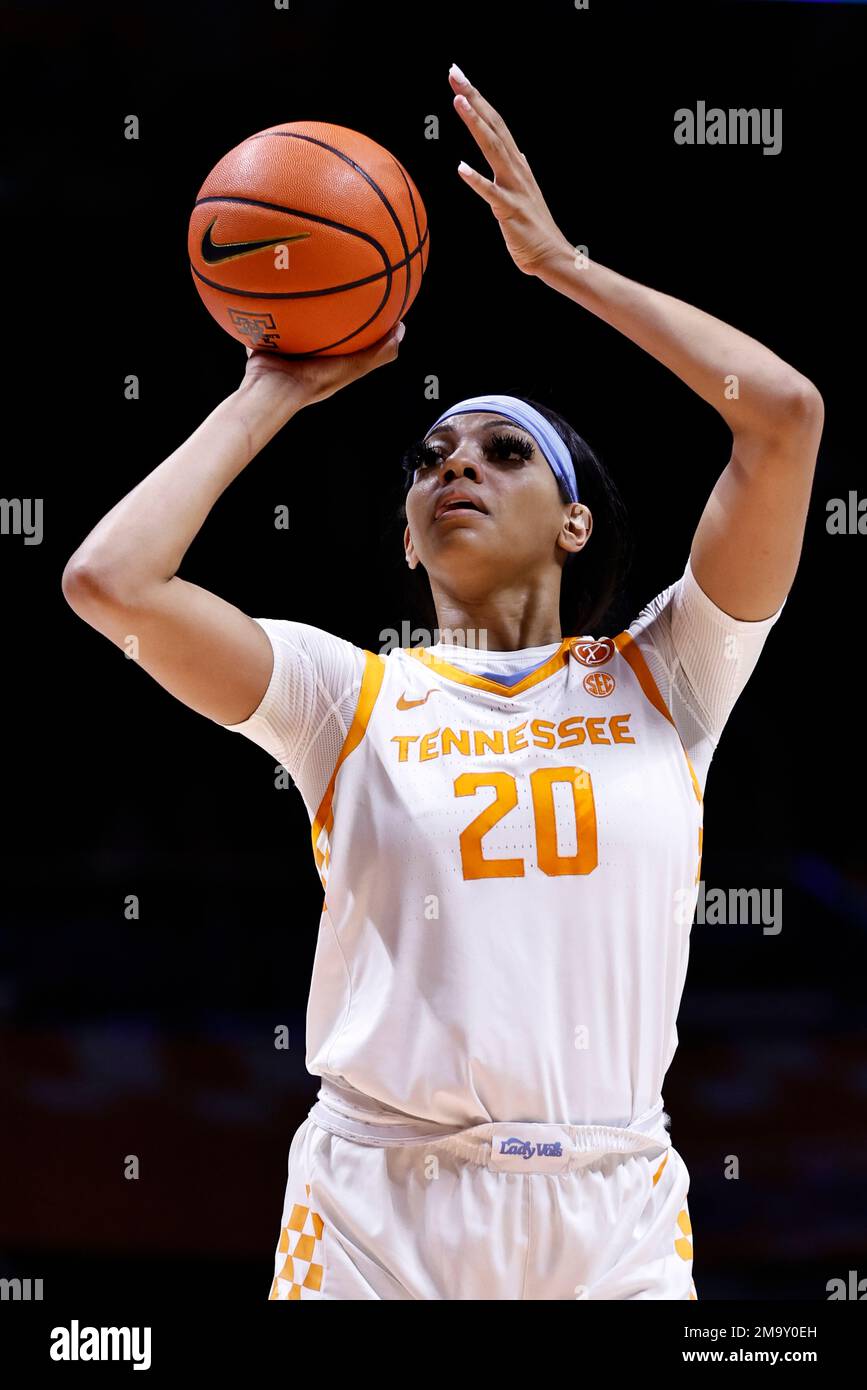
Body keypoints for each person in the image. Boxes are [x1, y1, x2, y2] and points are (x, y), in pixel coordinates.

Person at [61, 65, 823, 1299]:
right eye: (430, 456)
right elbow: (109, 580)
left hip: (609, 1208)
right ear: (408, 536)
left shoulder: (668, 676)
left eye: (503, 449)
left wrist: (567, 268)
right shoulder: (345, 695)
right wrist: (270, 390)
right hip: (377, 1207)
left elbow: (784, 415)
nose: (454, 463)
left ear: (574, 522)